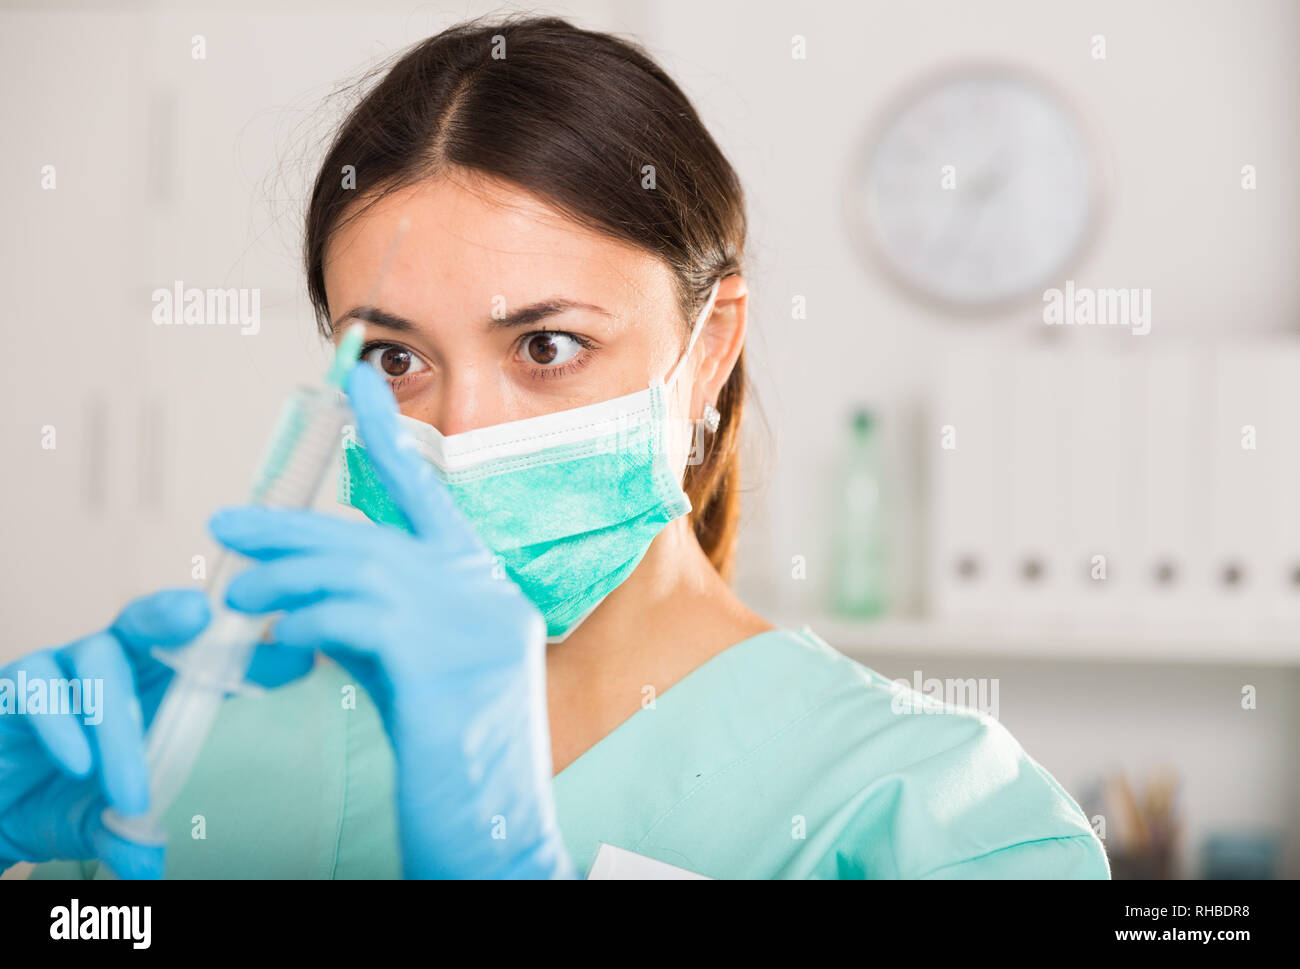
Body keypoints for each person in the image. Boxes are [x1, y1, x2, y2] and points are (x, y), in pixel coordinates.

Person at [6, 15, 1108, 880]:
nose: (465, 434)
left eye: (547, 343)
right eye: (394, 360)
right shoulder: (186, 749)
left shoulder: (938, 819)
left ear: (710, 344)